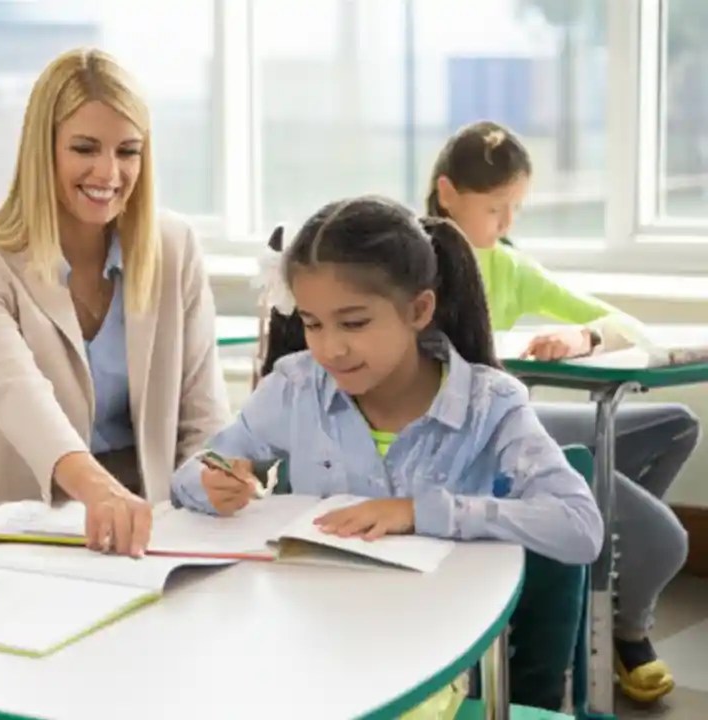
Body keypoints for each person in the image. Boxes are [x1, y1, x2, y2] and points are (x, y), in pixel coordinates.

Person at [173, 195, 602, 710]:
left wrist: (420, 512)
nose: (330, 349)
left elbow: (580, 527)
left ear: (419, 310)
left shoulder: (490, 406)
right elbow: (193, 473)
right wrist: (209, 483)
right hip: (308, 648)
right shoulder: (295, 388)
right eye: (312, 323)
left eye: (353, 323)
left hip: (431, 660)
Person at [428, 120, 697, 702]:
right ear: (447, 192)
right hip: (477, 439)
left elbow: (625, 325)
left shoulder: (509, 266)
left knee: (678, 424)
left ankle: (603, 584)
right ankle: (627, 629)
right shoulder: (407, 258)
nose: (506, 225)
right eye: (496, 209)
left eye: (516, 209)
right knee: (666, 540)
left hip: (519, 419)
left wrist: (583, 340)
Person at [0, 47, 230, 557]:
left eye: (128, 151)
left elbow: (202, 409)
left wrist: (219, 471)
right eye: (85, 148)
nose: (108, 172)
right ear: (43, 150)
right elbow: (17, 393)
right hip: (19, 513)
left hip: (145, 514)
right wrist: (97, 489)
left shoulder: (174, 246)